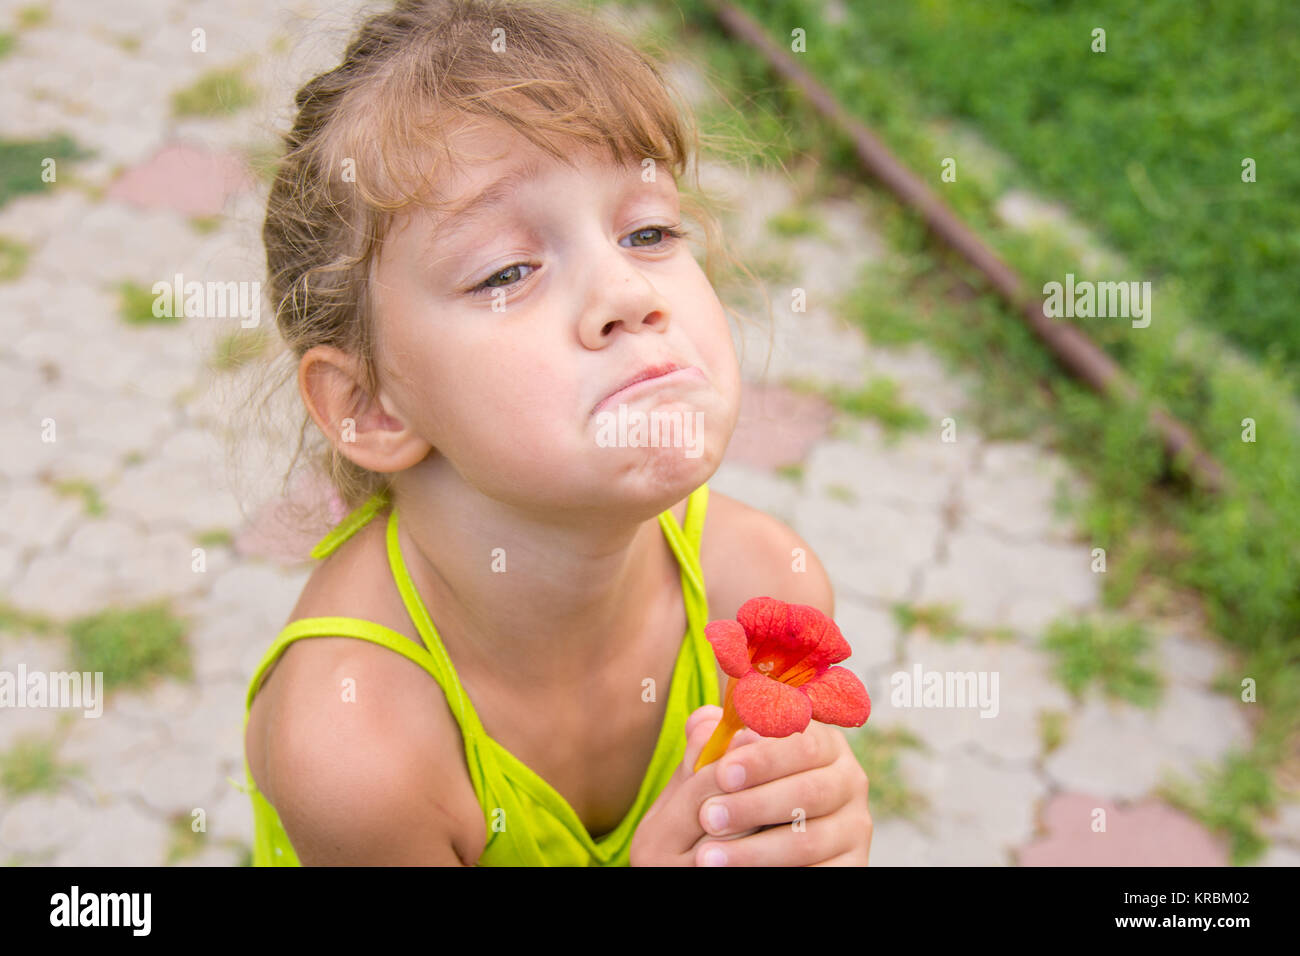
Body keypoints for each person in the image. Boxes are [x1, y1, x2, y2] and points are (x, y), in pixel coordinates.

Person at [240, 0, 872, 866]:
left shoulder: (763, 598)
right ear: (371, 405)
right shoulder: (358, 747)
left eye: (647, 231)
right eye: (508, 271)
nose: (626, 293)